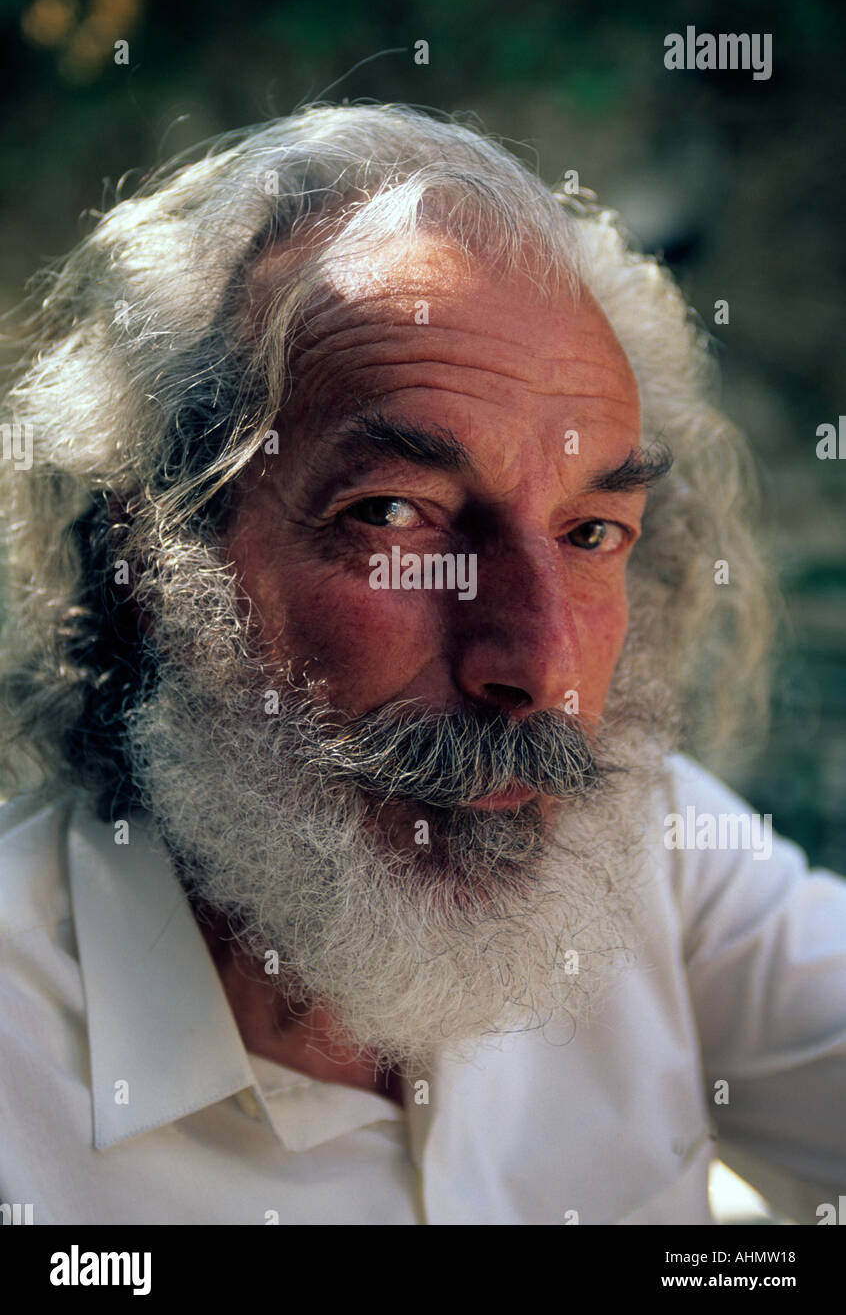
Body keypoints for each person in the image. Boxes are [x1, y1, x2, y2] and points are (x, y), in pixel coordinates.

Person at [0, 102, 843, 1225]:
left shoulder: (643, 851)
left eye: (592, 533)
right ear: (148, 560)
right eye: (397, 514)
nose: (540, 666)